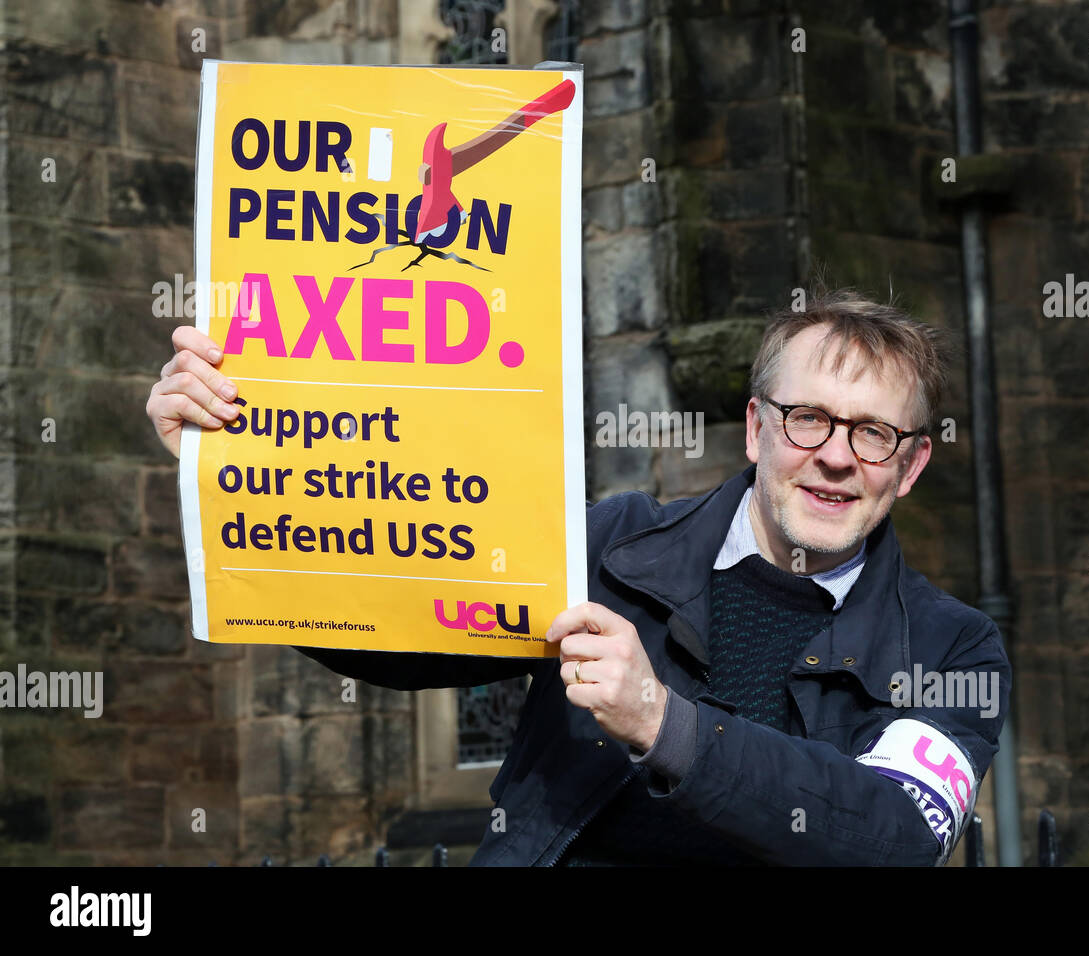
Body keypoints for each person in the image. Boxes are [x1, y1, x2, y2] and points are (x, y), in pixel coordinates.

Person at [147, 288, 1011, 866]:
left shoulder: (952, 645)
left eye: (872, 434)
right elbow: (402, 634)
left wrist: (663, 721)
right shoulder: (607, 545)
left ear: (912, 465)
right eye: (807, 418)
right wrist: (231, 476)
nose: (833, 456)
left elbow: (894, 835)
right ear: (755, 429)